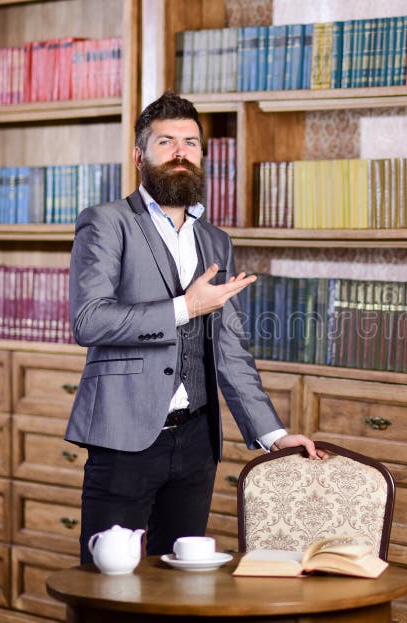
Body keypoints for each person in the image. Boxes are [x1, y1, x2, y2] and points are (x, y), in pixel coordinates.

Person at [66, 91, 326, 564]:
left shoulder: (215, 241)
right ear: (140, 154)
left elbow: (229, 347)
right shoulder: (106, 224)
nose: (180, 152)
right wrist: (184, 307)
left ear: (202, 155)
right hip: (123, 440)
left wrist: (272, 434)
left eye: (190, 142)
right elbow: (89, 320)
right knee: (106, 586)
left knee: (180, 589)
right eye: (166, 142)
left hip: (195, 444)